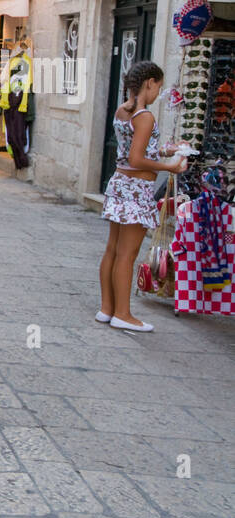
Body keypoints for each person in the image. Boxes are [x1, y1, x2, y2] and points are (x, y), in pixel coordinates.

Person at [98, 61, 188, 332]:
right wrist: (170, 167)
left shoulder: (122, 111)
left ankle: (107, 309)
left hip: (120, 183)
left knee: (113, 249)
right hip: (137, 188)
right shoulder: (145, 115)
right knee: (128, 253)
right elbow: (138, 158)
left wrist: (164, 150)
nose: (158, 93)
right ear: (149, 82)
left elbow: (132, 150)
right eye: (158, 87)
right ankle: (123, 314)